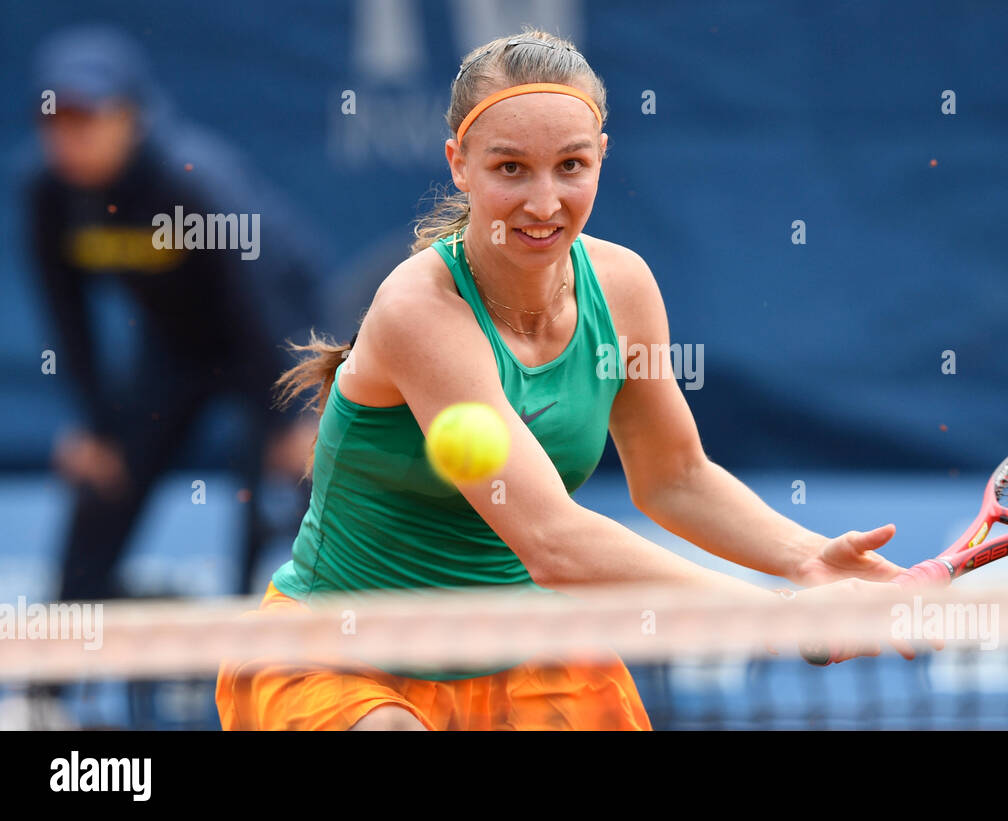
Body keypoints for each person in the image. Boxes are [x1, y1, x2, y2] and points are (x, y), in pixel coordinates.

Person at [215, 28, 911, 732]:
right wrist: (775, 618)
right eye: (510, 168)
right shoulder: (417, 312)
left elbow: (675, 476)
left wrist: (804, 559)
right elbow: (550, 541)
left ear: (601, 157)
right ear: (458, 164)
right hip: (341, 658)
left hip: (526, 656)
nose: (545, 203)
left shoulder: (624, 287)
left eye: (570, 166)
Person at [24, 26, 321, 606]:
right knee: (104, 472)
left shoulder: (193, 181)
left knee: (307, 472)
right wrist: (96, 425)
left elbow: (253, 299)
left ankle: (341, 643)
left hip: (274, 332)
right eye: (55, 122)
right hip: (175, 344)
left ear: (131, 118)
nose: (69, 138)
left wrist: (294, 417)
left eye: (87, 119)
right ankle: (50, 686)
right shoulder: (46, 194)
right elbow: (68, 315)